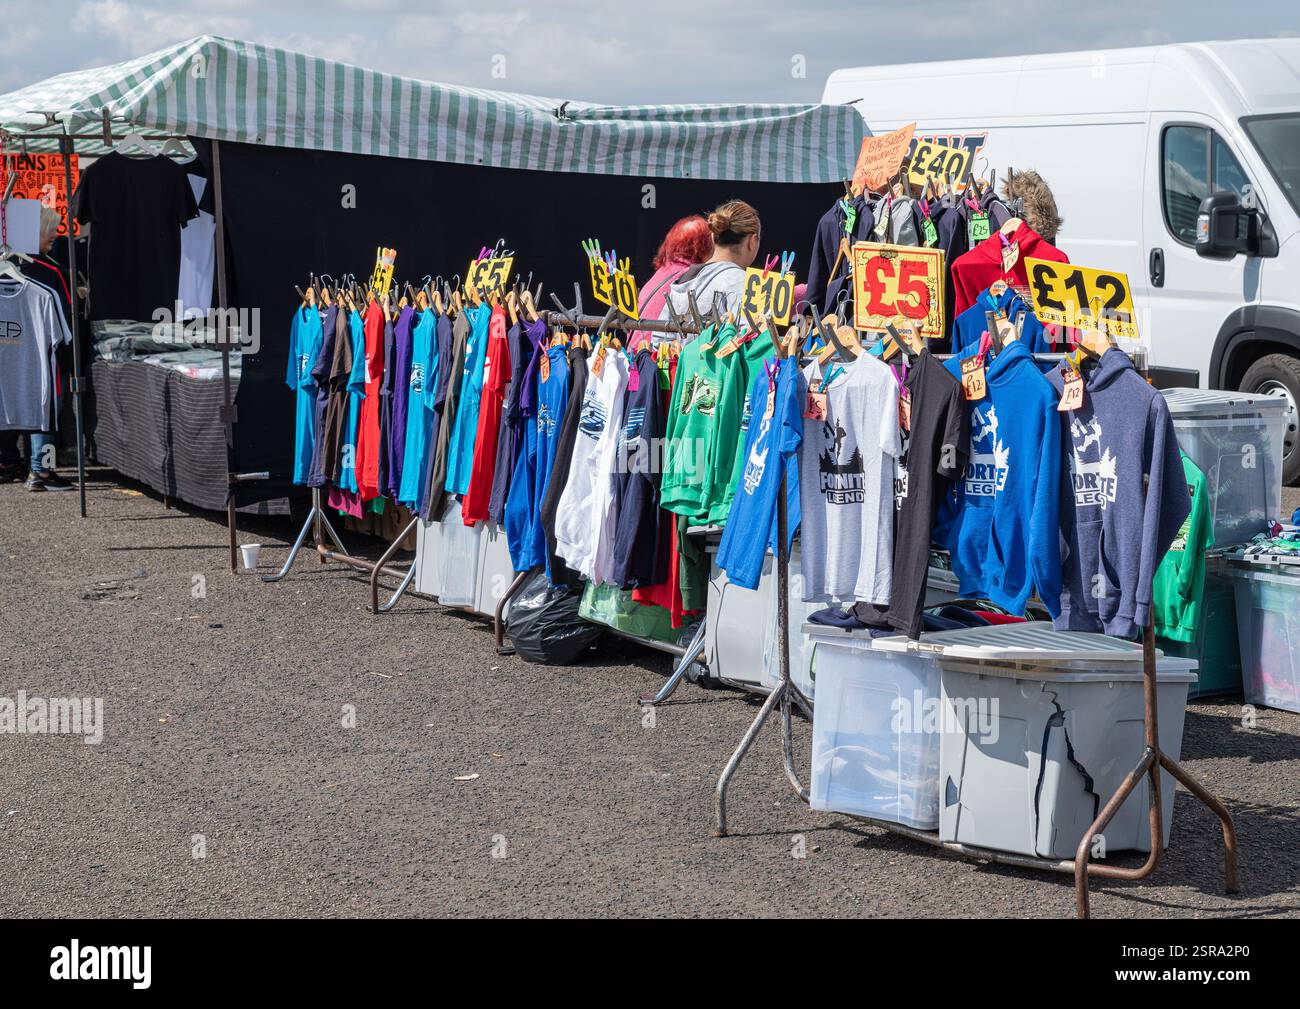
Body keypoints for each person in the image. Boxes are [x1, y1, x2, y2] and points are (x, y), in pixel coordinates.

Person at [0, 208, 75, 491]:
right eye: (50, 229)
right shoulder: (50, 274)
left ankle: (7, 462)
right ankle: (42, 471)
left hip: (9, 360)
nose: (56, 234)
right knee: (46, 412)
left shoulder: (47, 273)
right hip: (40, 361)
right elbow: (65, 328)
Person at [658, 200, 761, 329]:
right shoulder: (745, 282)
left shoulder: (683, 280)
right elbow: (755, 340)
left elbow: (659, 340)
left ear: (712, 237)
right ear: (753, 242)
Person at [631, 214, 712, 346]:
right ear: (703, 245)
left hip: (636, 356)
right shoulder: (689, 278)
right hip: (656, 358)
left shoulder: (661, 273)